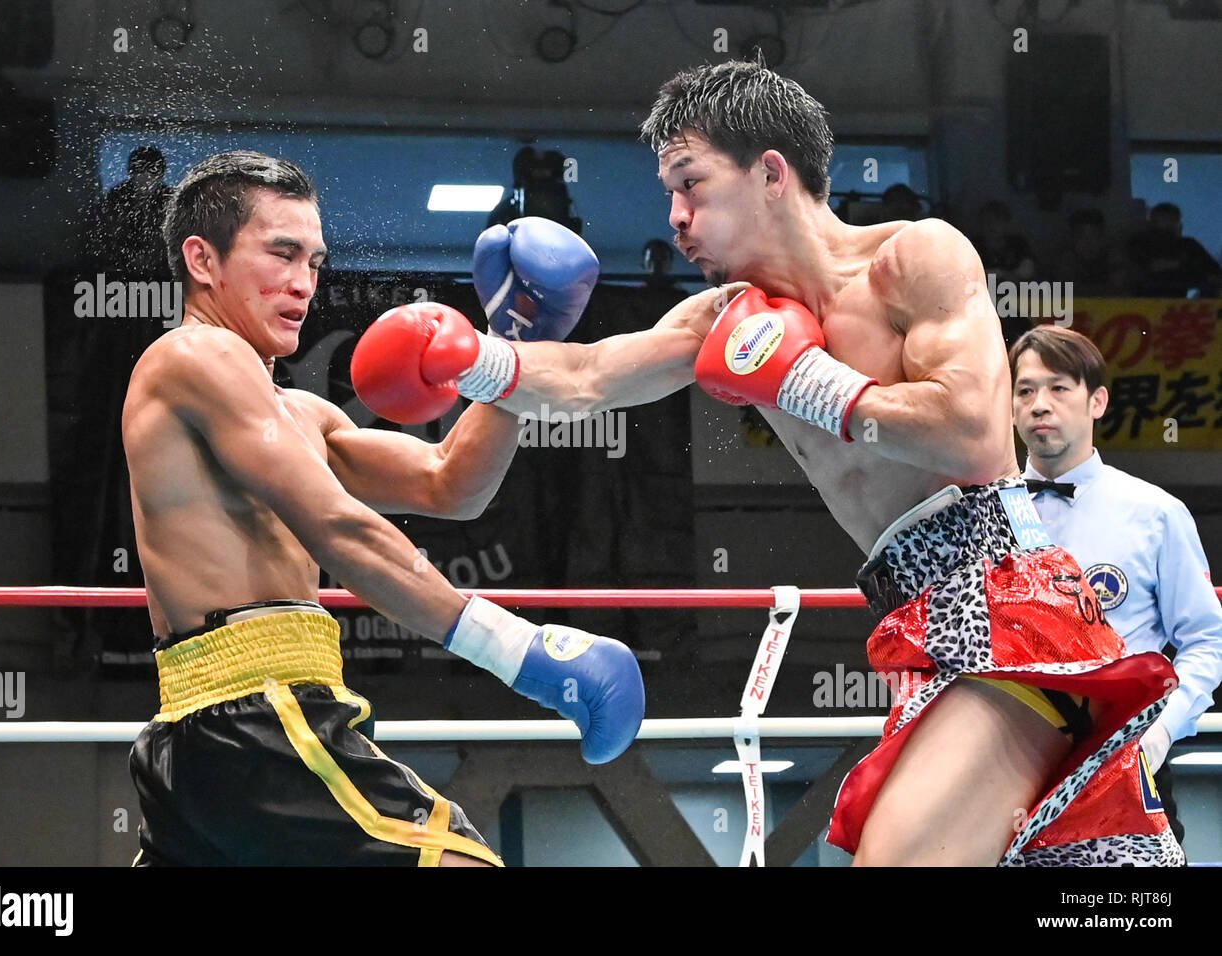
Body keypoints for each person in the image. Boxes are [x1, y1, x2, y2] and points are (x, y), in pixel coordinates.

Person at [356, 61, 1182, 866]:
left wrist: (807, 380)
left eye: (692, 184)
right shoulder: (722, 315)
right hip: (920, 619)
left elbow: (969, 430)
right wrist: (472, 360)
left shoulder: (913, 257)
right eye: (669, 194)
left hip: (1005, 598)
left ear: (772, 173)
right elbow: (587, 379)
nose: (675, 217)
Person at [122, 150, 643, 866]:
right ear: (202, 260)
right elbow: (336, 526)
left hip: (219, 732)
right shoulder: (194, 356)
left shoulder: (300, 413)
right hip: (257, 715)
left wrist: (515, 352)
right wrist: (520, 652)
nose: (304, 283)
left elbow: (450, 482)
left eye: (314, 261)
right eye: (281, 254)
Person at [1011, 324, 1222, 848]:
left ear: (1097, 401)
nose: (1041, 404)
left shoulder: (1155, 514)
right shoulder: (980, 513)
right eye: (1025, 390)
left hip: (1126, 758)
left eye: (1059, 388)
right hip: (1007, 765)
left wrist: (1161, 731)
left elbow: (1206, 639)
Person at [102, 146, 174, 275]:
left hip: (161, 269)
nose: (145, 178)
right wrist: (128, 258)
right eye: (140, 171)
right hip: (120, 267)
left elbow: (173, 238)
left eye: (151, 171)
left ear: (161, 174)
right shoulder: (117, 198)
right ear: (131, 173)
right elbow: (108, 235)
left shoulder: (170, 200)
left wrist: (153, 257)